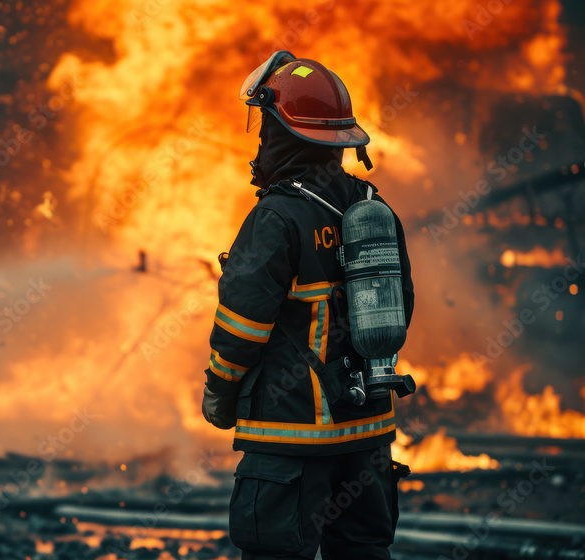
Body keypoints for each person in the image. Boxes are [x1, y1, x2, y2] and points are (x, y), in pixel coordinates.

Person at [201, 51, 416, 560]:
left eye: (267, 128)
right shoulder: (371, 207)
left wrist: (220, 390)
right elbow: (401, 302)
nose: (260, 141)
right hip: (367, 436)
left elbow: (243, 324)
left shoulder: (276, 217)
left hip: (290, 443)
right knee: (363, 552)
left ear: (283, 134)